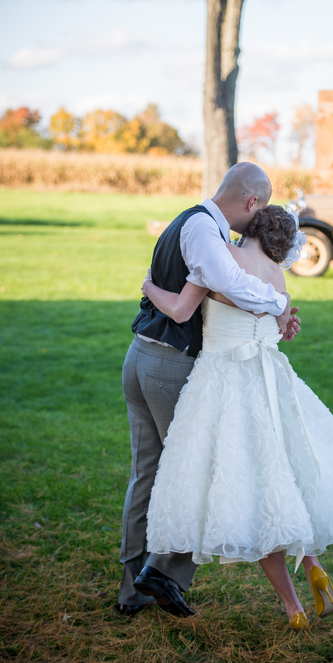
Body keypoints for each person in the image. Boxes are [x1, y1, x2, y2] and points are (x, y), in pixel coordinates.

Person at [142, 204, 333, 630]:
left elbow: (179, 309)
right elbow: (277, 325)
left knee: (255, 494)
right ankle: (315, 567)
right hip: (272, 385)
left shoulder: (222, 259)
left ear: (251, 227)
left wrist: (149, 287)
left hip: (224, 384)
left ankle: (293, 608)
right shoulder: (278, 277)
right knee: (287, 476)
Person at [116, 163, 300, 618]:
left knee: (150, 475)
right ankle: (161, 576)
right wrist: (281, 306)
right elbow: (231, 285)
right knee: (195, 469)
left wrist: (145, 287)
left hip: (141, 356)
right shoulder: (204, 230)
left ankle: (134, 590)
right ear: (252, 203)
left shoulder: (189, 221)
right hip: (166, 366)